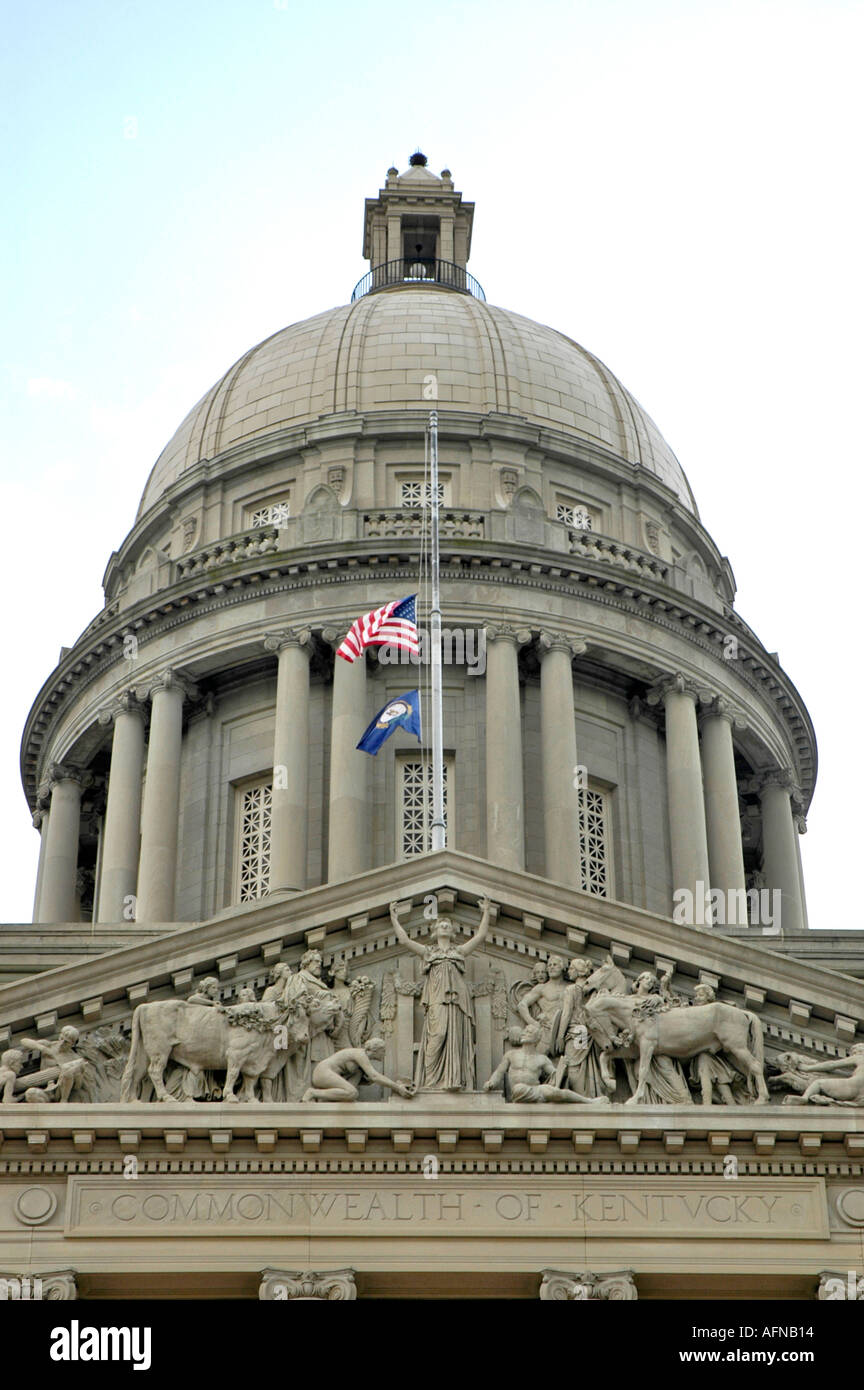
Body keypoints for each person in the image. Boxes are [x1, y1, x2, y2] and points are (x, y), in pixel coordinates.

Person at [390, 896, 493, 1091]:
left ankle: (454, 1080)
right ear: (434, 931)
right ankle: (432, 1081)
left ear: (453, 931)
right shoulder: (428, 952)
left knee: (456, 1037)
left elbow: (480, 936)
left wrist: (486, 911)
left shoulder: (460, 951)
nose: (444, 926)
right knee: (437, 1034)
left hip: (457, 1000)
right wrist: (394, 918)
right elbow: (404, 940)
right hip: (436, 999)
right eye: (441, 924)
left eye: (448, 924)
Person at [484, 1026, 610, 1105]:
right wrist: (491, 1083)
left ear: (537, 1038)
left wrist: (563, 1067)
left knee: (556, 1092)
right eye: (525, 1030)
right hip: (518, 1092)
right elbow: (499, 1072)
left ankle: (589, 1101)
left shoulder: (542, 1059)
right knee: (519, 1088)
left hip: (536, 1090)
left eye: (529, 1031)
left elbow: (556, 1075)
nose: (524, 1033)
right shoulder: (511, 1054)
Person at [302, 1038, 415, 1102]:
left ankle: (341, 1100)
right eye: (383, 1051)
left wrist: (366, 1080)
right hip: (322, 1072)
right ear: (376, 1050)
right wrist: (397, 1088)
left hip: (326, 1073)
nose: (384, 1054)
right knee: (352, 1092)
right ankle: (313, 1093)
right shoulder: (360, 1054)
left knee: (352, 1091)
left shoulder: (360, 1066)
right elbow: (375, 1076)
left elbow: (368, 1078)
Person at [516, 955, 568, 1055]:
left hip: (566, 1031)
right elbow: (522, 1005)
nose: (552, 967)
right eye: (549, 965)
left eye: (555, 965)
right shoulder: (542, 988)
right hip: (547, 1031)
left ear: (562, 967)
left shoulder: (569, 987)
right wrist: (533, 1022)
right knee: (535, 1062)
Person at [17, 1027, 86, 1103]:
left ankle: (63, 1100)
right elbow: (23, 1041)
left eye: (66, 1042)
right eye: (61, 1038)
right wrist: (42, 1048)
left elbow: (78, 1086)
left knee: (67, 1070)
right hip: (44, 1089)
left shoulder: (74, 1058)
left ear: (72, 1044)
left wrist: (76, 1072)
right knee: (31, 1093)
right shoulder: (49, 1045)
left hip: (58, 1091)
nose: (62, 1042)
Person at [793, 1043, 864, 1106]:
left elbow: (831, 1065)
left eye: (854, 1052)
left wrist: (808, 1068)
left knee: (818, 1083)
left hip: (854, 1086)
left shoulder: (859, 1057)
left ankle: (804, 1098)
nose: (854, 1054)